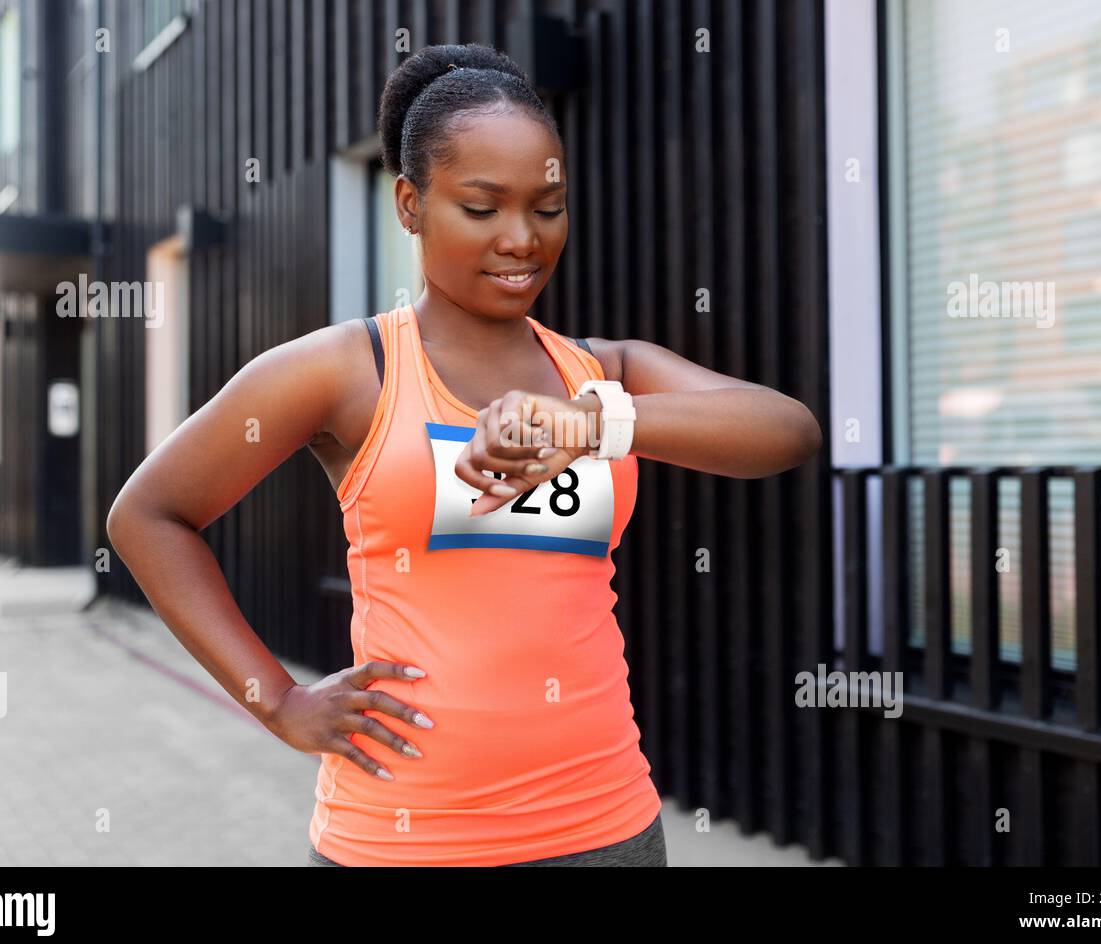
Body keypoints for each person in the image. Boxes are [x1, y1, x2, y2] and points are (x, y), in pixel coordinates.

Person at [106, 42, 822, 868]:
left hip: (604, 828)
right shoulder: (347, 372)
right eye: (481, 209)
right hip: (402, 840)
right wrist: (279, 700)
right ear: (410, 204)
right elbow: (149, 516)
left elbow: (787, 429)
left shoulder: (602, 373)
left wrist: (590, 424)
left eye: (546, 207)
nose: (521, 239)